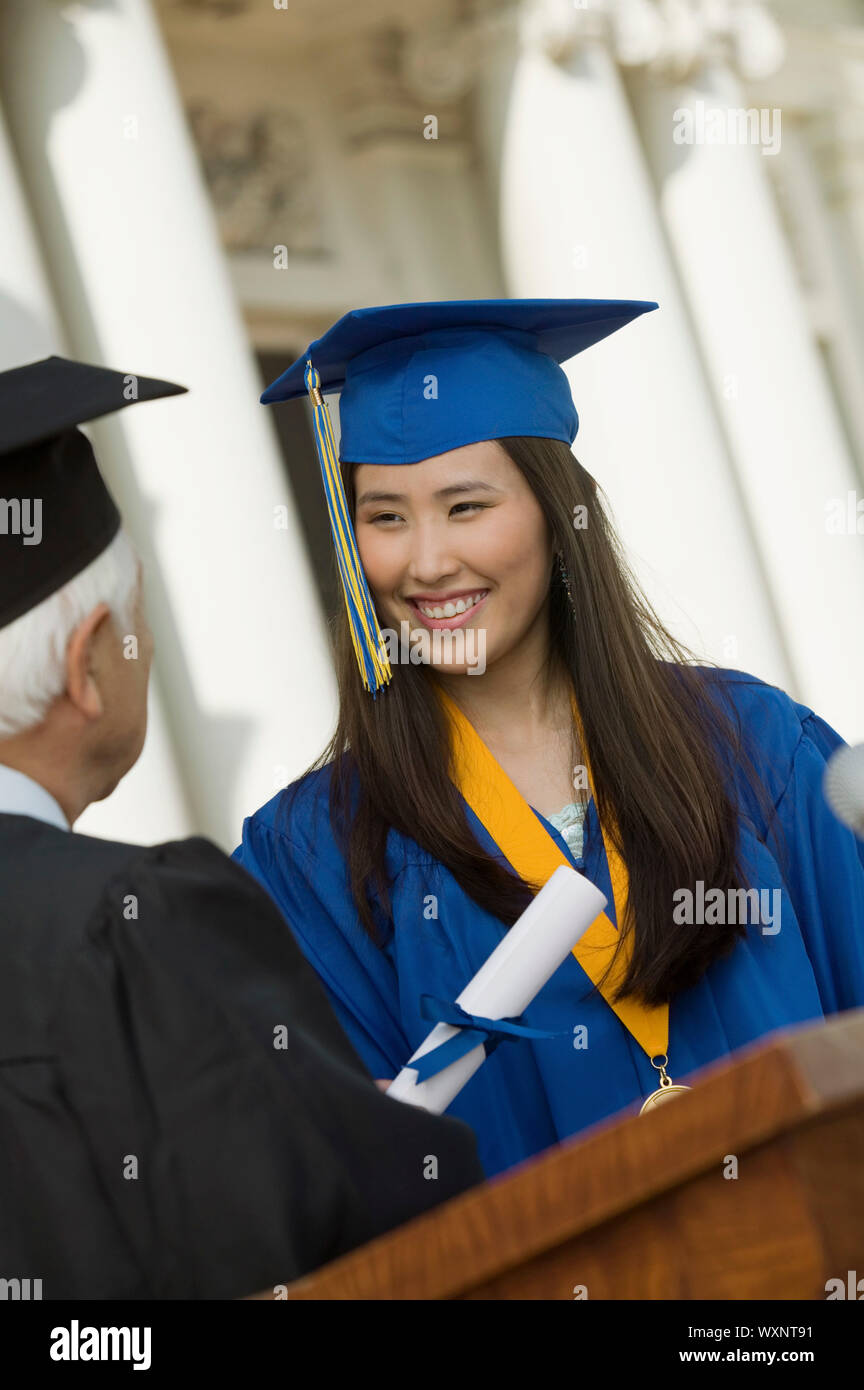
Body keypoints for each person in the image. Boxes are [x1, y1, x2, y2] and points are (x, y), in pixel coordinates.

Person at [234, 298, 864, 1181]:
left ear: (559, 516)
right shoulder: (312, 858)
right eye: (385, 518)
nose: (426, 562)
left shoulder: (759, 749)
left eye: (465, 506)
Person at [0, 355, 484, 1300]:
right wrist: (352, 1139)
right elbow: (341, 1245)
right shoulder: (135, 927)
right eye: (137, 617)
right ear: (86, 663)